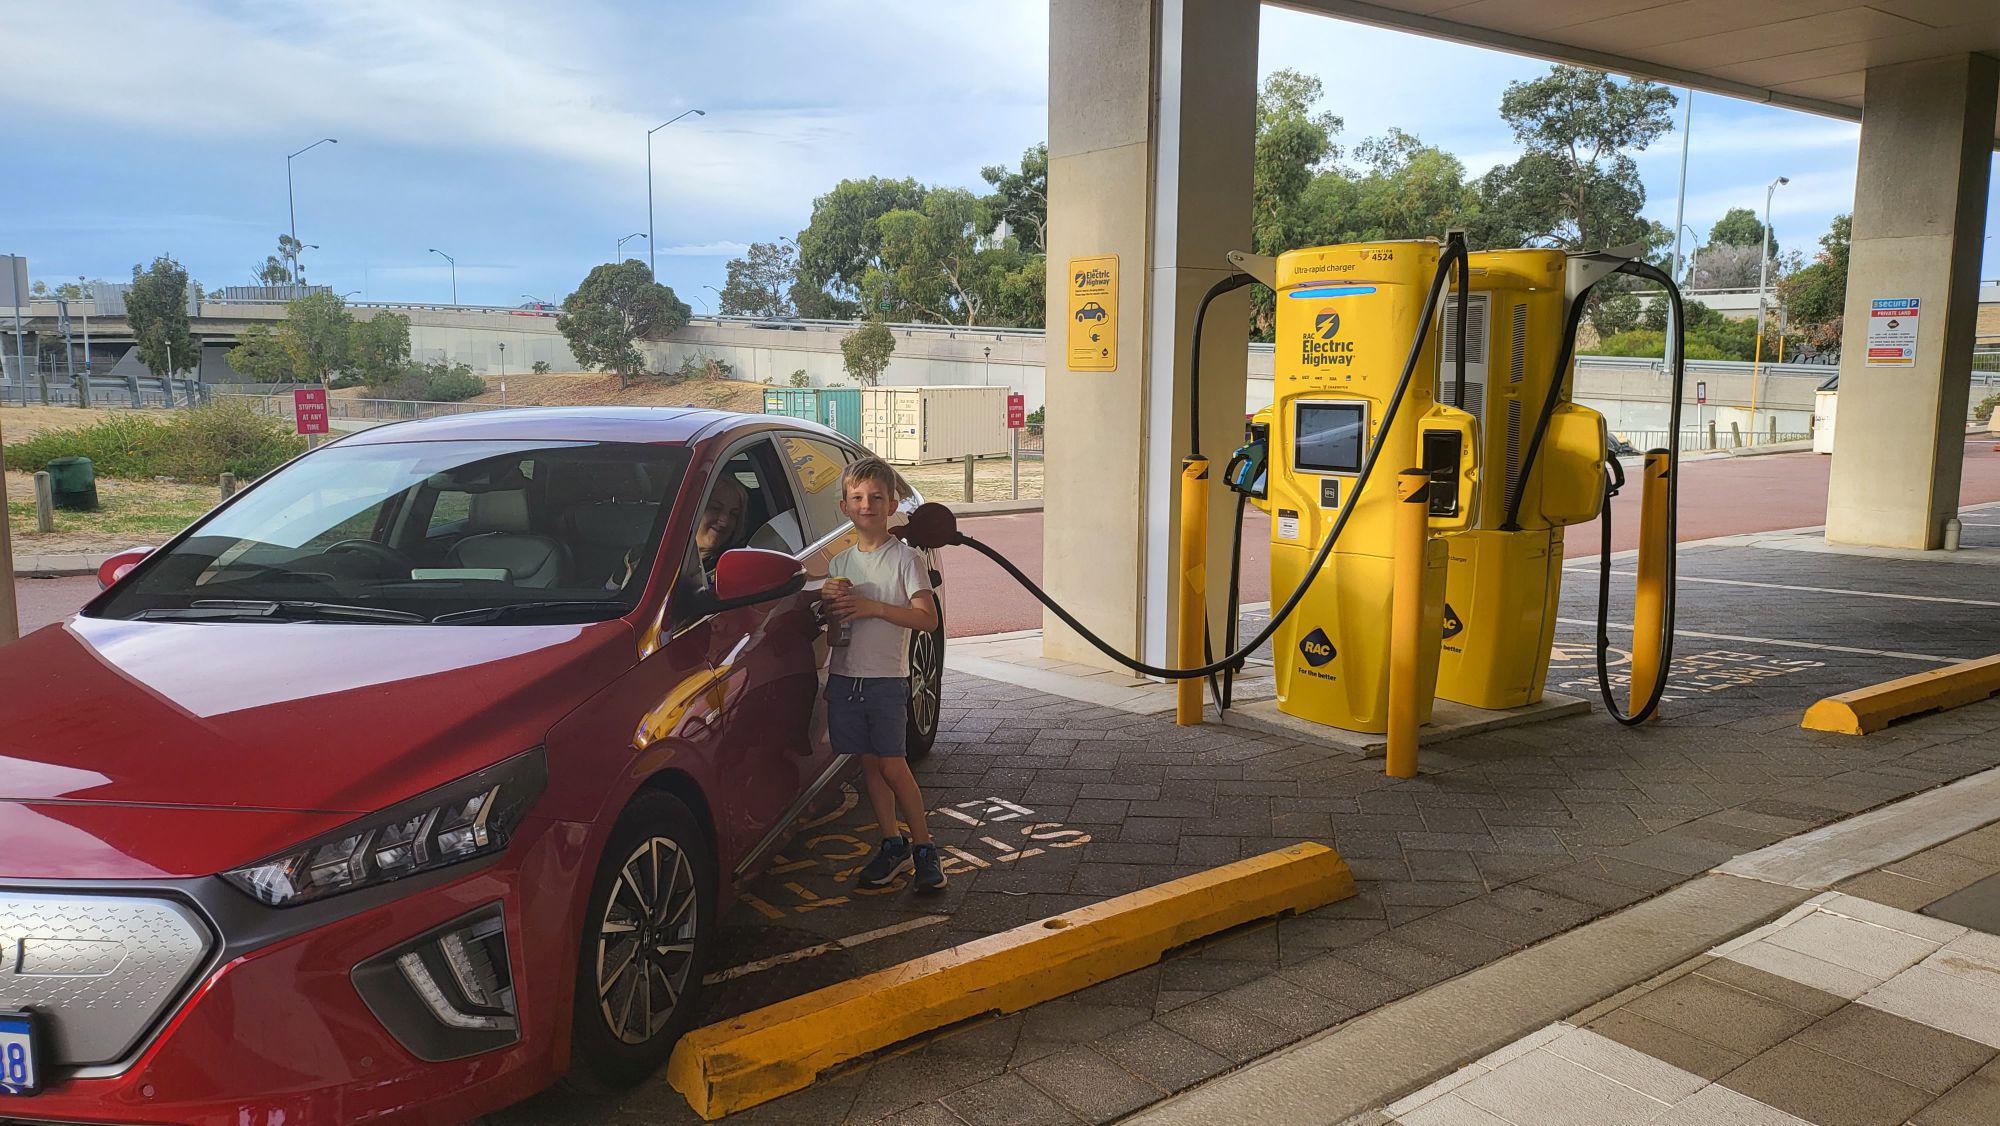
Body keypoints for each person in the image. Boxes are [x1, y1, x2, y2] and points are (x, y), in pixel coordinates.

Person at [821, 457, 945, 892]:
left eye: (876, 498)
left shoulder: (905, 560)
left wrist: (873, 607)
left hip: (886, 681)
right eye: (857, 498)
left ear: (892, 505)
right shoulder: (839, 565)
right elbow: (837, 634)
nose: (866, 505)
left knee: (894, 765)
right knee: (870, 764)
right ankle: (892, 842)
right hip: (845, 678)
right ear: (844, 507)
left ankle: (925, 847)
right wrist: (831, 608)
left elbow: (926, 618)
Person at [695, 475, 748, 578]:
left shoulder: (734, 571)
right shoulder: (659, 553)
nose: (724, 522)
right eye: (715, 508)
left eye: (733, 514)